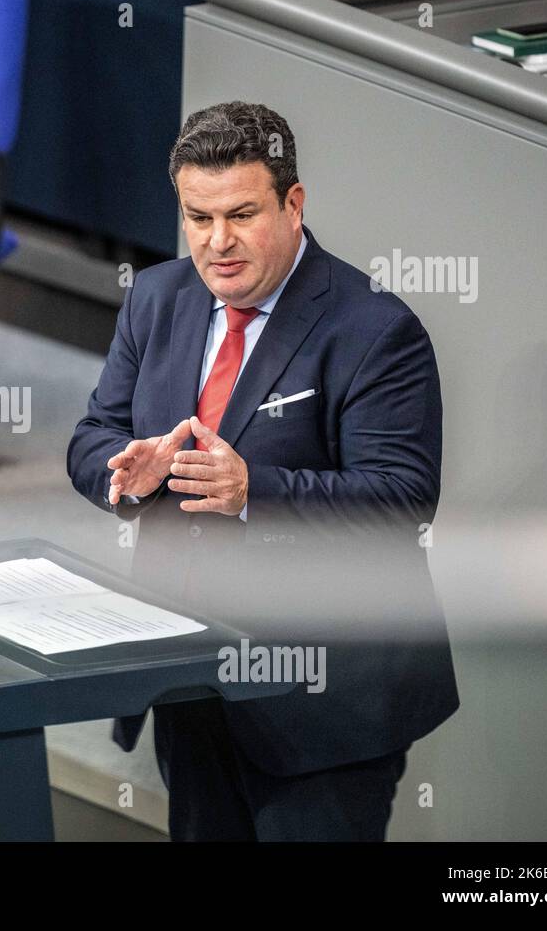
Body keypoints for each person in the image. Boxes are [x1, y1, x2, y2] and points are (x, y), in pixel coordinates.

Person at [67, 101, 459, 841]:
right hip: (190, 678)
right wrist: (128, 472)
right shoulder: (157, 298)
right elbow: (93, 436)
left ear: (293, 204)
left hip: (324, 700)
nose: (218, 243)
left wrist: (253, 492)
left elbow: (403, 500)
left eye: (241, 214)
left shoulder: (376, 329)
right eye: (197, 217)